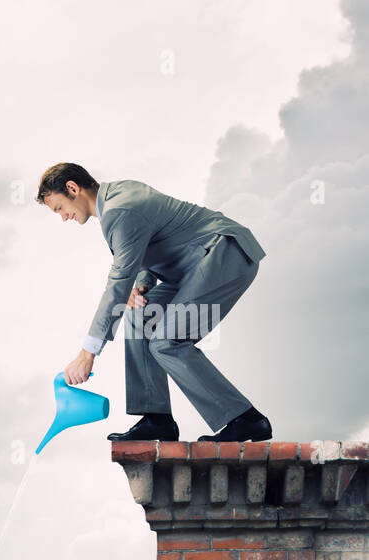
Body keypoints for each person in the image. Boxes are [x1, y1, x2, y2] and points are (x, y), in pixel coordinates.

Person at [37, 162, 272, 442]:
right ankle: (156, 419)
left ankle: (246, 419)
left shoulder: (120, 209)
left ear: (72, 188)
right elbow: (146, 246)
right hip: (191, 267)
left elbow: (117, 284)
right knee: (139, 314)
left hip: (224, 253)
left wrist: (87, 353)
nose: (63, 217)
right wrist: (142, 285)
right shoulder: (115, 199)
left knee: (167, 341)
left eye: (59, 209)